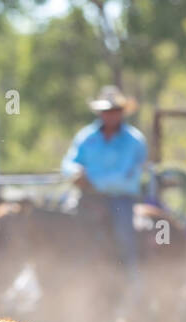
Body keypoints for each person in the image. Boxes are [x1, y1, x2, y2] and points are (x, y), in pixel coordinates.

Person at [61, 85, 148, 304]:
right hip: (87, 197)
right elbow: (69, 162)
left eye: (114, 110)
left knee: (124, 234)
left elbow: (128, 176)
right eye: (106, 110)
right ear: (100, 112)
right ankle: (66, 277)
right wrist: (75, 172)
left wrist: (91, 180)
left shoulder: (134, 141)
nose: (109, 115)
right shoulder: (86, 136)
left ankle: (132, 282)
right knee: (61, 221)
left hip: (120, 199)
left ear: (121, 112)